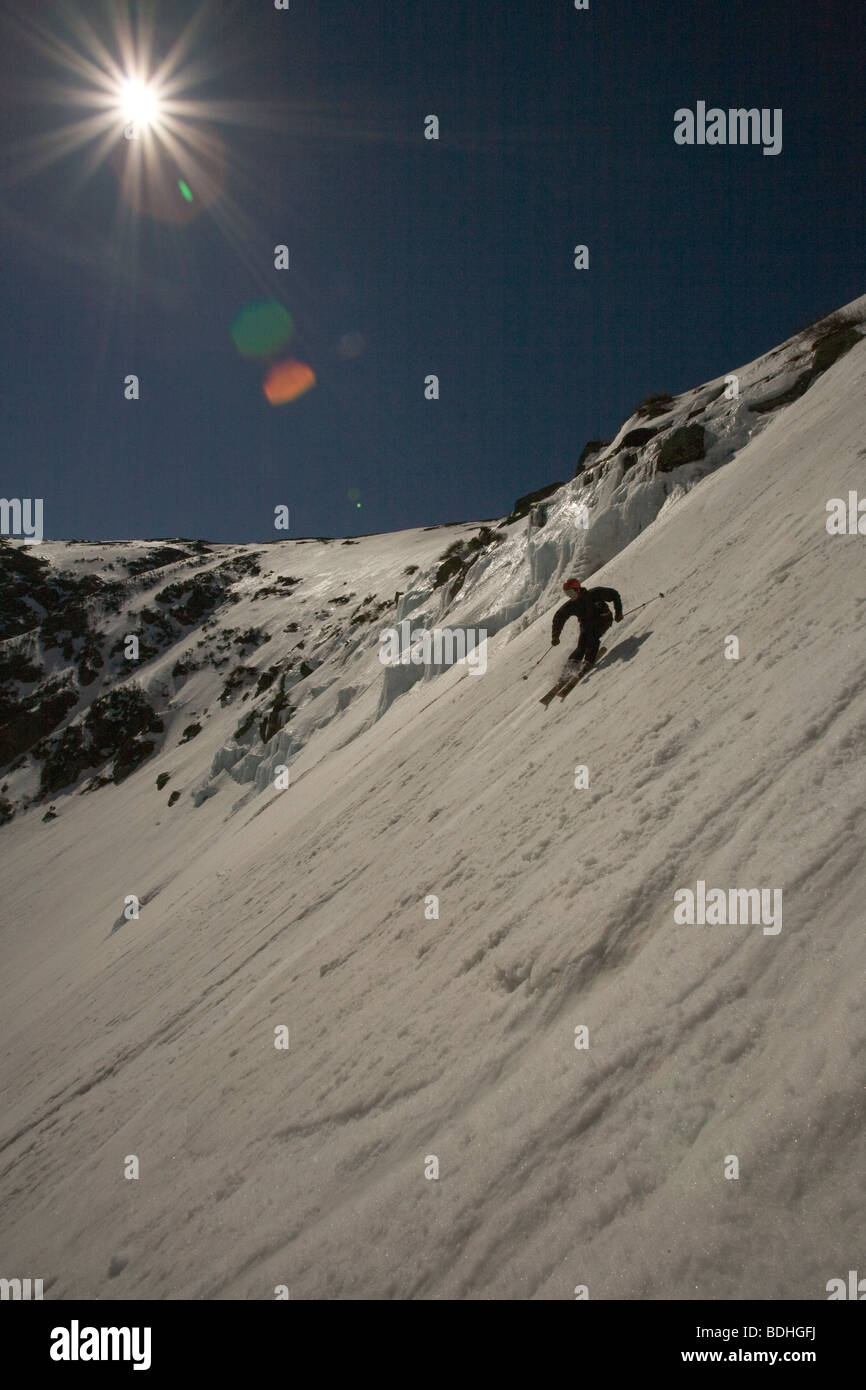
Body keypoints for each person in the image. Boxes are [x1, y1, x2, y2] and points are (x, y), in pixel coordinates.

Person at [551, 577, 622, 672]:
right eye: (567, 594)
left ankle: (588, 661)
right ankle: (569, 670)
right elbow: (559, 618)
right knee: (581, 646)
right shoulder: (572, 605)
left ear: (577, 589)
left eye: (571, 593)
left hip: (603, 621)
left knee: (592, 637)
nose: (570, 596)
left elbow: (614, 594)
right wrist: (555, 636)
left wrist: (618, 612)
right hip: (586, 626)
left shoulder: (594, 594)